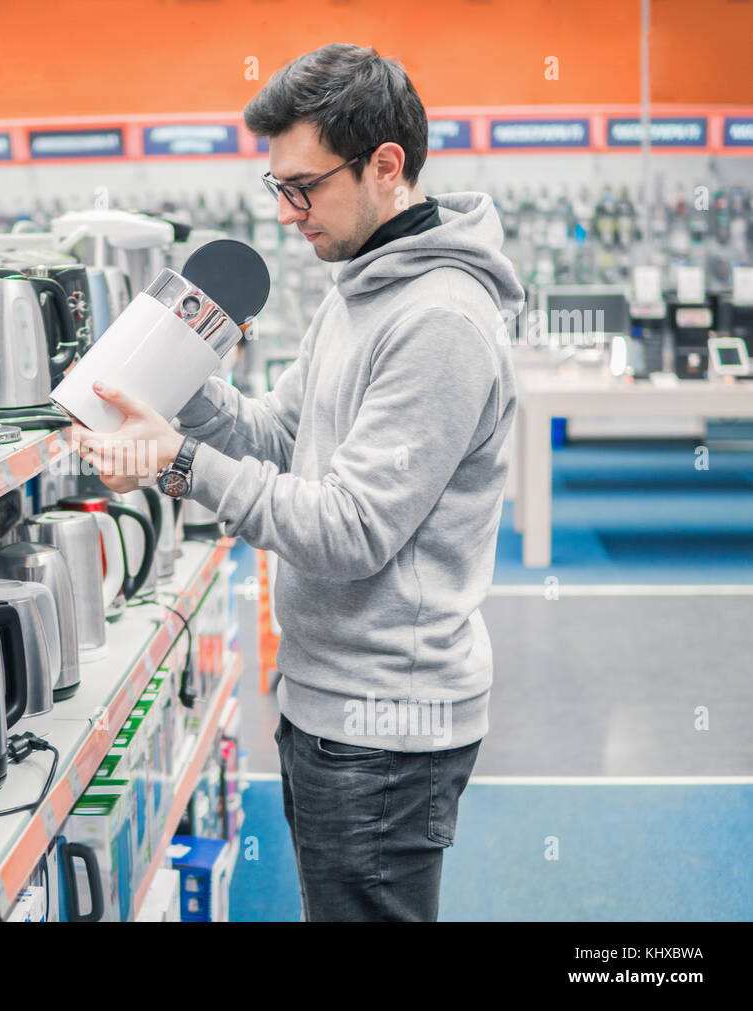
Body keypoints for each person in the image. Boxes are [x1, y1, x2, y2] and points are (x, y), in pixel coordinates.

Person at [71, 42, 523, 922]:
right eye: (277, 187)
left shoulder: (438, 320)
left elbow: (352, 531)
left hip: (386, 730)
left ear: (385, 165)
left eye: (303, 188)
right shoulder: (358, 286)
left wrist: (177, 461)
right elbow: (280, 435)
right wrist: (179, 382)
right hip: (331, 704)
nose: (286, 214)